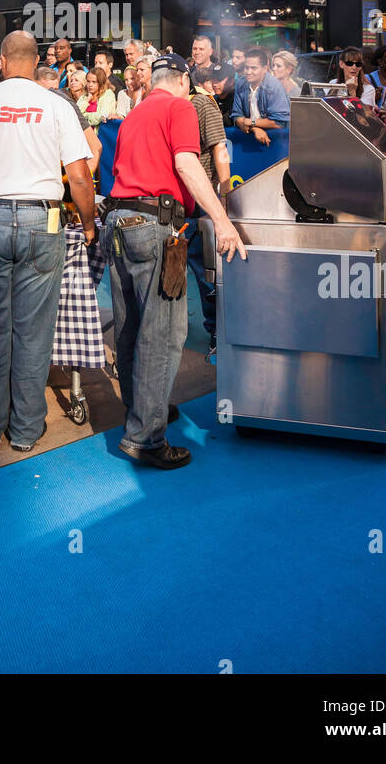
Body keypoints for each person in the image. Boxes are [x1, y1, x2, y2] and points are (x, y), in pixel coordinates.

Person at [0, 31, 96, 454]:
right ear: (35, 61)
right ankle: (27, 430)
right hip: (42, 219)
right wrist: (87, 225)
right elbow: (81, 175)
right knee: (33, 332)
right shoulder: (56, 105)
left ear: (1, 60)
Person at [102, 54, 246, 469]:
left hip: (119, 221)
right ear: (183, 79)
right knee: (163, 332)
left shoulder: (136, 111)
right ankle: (146, 437)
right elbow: (186, 163)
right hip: (154, 225)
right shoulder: (180, 106)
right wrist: (222, 220)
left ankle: (146, 412)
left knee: (130, 327)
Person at [187, 66, 232, 356]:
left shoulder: (184, 104)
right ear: (212, 83)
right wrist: (225, 197)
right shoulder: (205, 103)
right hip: (200, 201)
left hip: (182, 199)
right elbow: (220, 150)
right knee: (208, 271)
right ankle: (218, 332)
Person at [36, 64, 102, 175]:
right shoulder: (25, 101)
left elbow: (95, 146)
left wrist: (86, 181)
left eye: (55, 90)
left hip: (62, 178)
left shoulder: (63, 101)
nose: (53, 93)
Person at [233, 46, 291, 141]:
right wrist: (254, 128)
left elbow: (279, 123)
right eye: (246, 68)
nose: (248, 72)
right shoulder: (240, 83)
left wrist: (250, 122)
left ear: (264, 69)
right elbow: (237, 116)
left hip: (277, 141)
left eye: (253, 68)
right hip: (250, 139)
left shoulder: (274, 87)